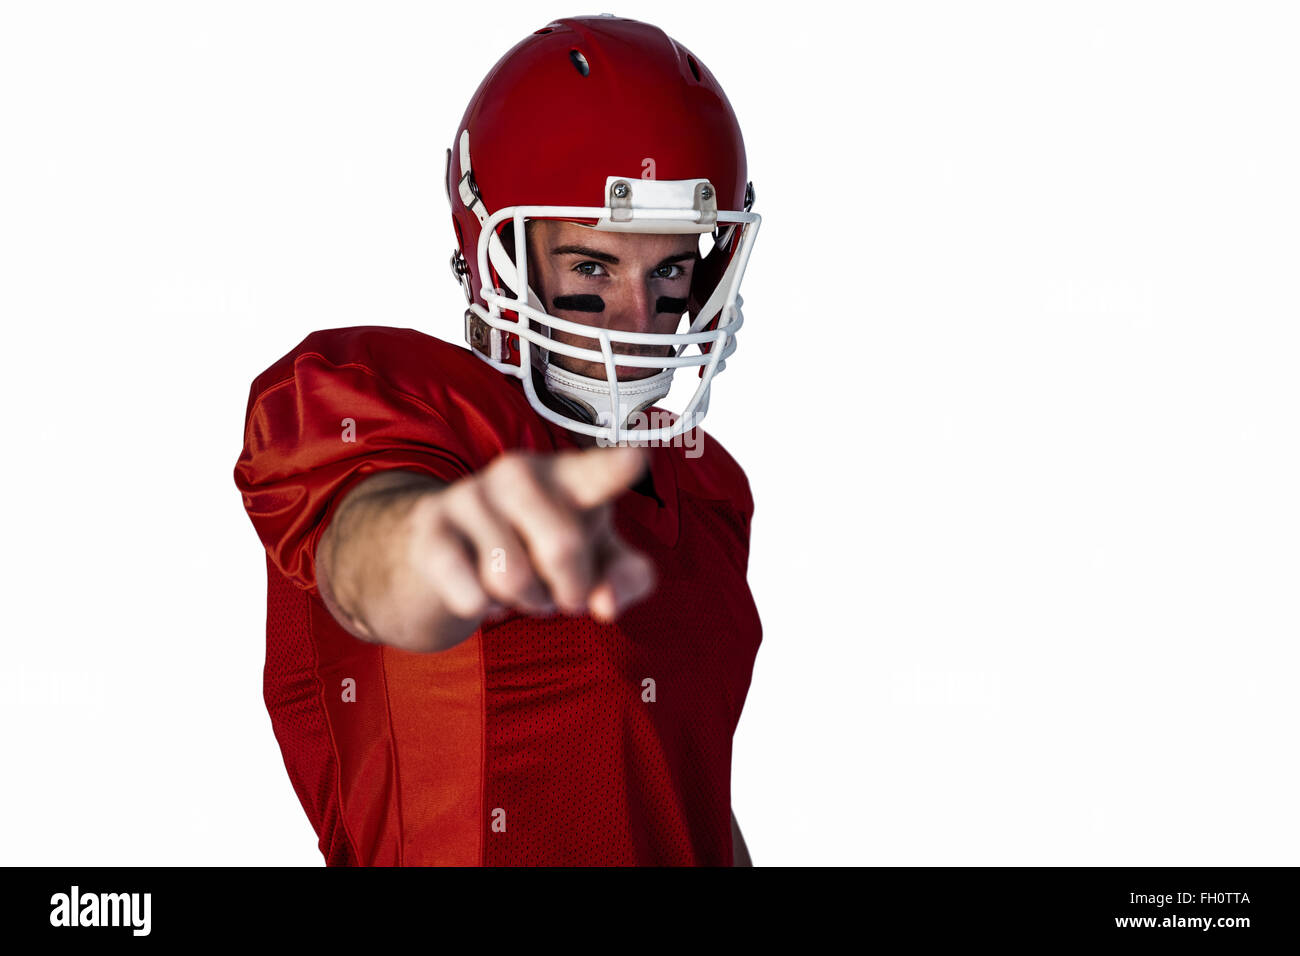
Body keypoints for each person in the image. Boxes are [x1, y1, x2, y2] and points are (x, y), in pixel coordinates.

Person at [234, 13, 763, 866]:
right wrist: (447, 547)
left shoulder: (707, 491)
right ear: (497, 250)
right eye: (593, 266)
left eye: (668, 268)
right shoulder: (398, 405)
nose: (638, 318)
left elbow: (683, 793)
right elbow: (371, 568)